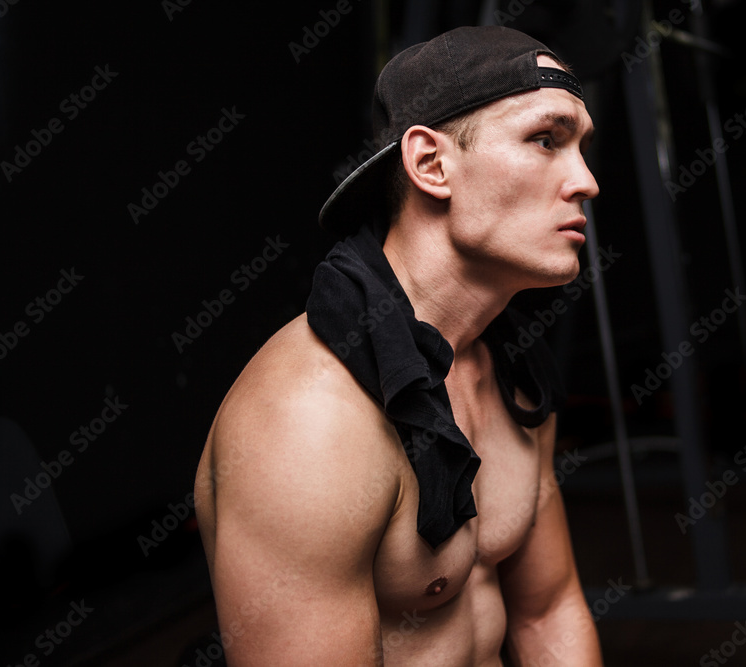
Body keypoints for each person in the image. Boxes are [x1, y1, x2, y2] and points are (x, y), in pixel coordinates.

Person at [194, 25, 603, 665]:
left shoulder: (512, 374)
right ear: (431, 164)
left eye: (581, 147)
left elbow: (548, 612)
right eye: (545, 140)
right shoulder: (310, 421)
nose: (586, 182)